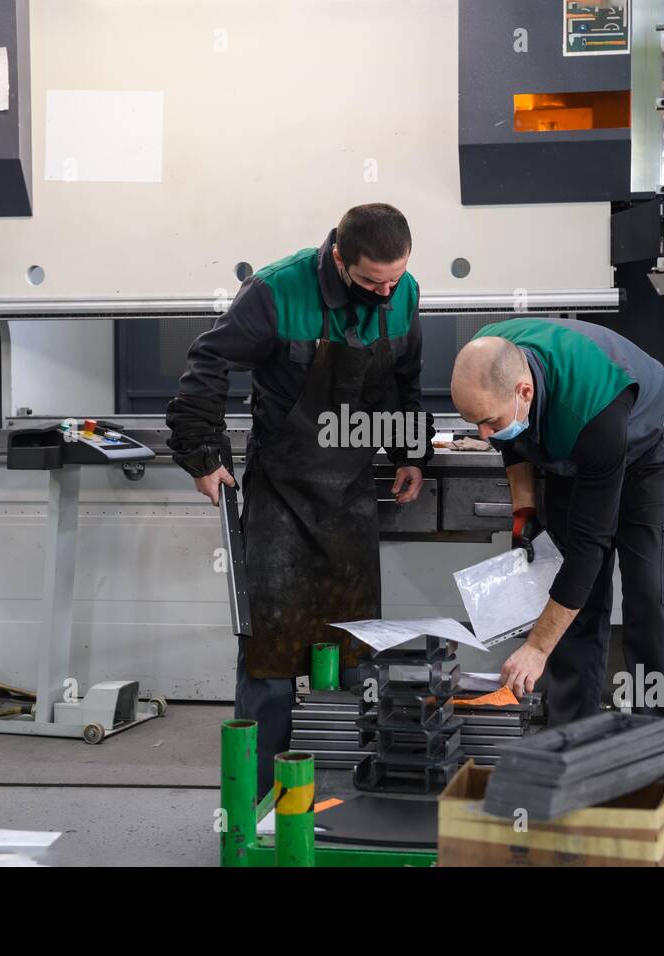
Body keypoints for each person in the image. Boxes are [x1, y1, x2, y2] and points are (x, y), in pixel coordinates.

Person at [167, 203, 433, 793]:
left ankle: (341, 799)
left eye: (395, 280)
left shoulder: (404, 292)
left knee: (353, 649)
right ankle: (260, 806)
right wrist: (203, 454)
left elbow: (403, 381)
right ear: (339, 258)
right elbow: (208, 362)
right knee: (272, 657)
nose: (385, 292)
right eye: (371, 282)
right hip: (280, 492)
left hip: (352, 494)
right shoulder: (275, 291)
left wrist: (409, 452)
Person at [450, 317, 664, 732]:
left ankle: (662, 737)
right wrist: (524, 509)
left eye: (489, 422)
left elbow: (589, 549)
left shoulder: (593, 408)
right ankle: (568, 733)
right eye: (475, 423)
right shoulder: (488, 359)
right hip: (571, 454)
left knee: (652, 599)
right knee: (573, 605)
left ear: (524, 391)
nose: (484, 434)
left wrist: (536, 648)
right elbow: (512, 442)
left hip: (651, 457)